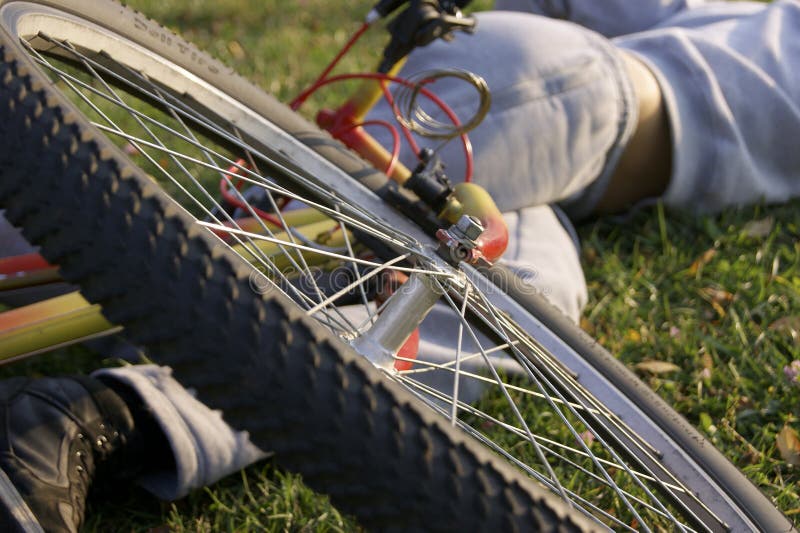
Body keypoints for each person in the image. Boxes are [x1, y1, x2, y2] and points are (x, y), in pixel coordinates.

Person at [3, 1, 800, 531]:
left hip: (548, 114)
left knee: (512, 272)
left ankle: (104, 407)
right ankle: (91, 408)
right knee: (491, 282)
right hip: (576, 100)